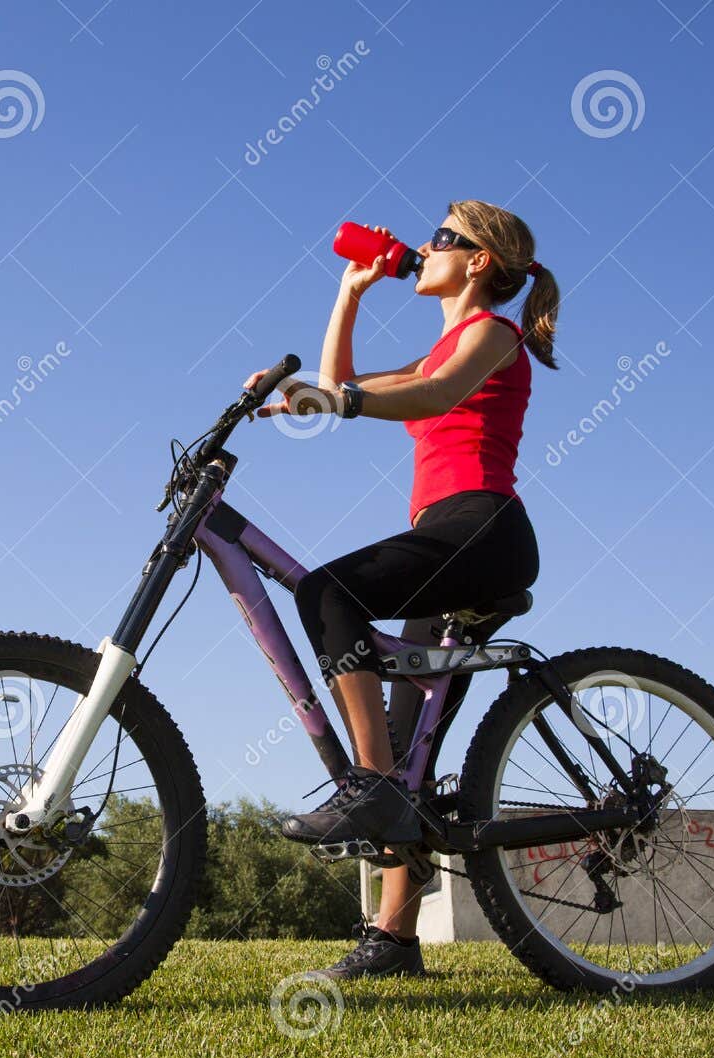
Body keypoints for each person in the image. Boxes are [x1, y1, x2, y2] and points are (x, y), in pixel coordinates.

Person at [245, 200, 559, 979]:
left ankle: (371, 788)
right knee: (406, 737)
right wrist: (350, 293)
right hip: (447, 537)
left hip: (481, 528)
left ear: (478, 261)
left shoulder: (492, 333)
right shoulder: (438, 347)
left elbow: (434, 396)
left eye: (442, 237)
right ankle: (394, 936)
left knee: (327, 591)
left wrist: (339, 400)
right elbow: (342, 384)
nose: (424, 246)